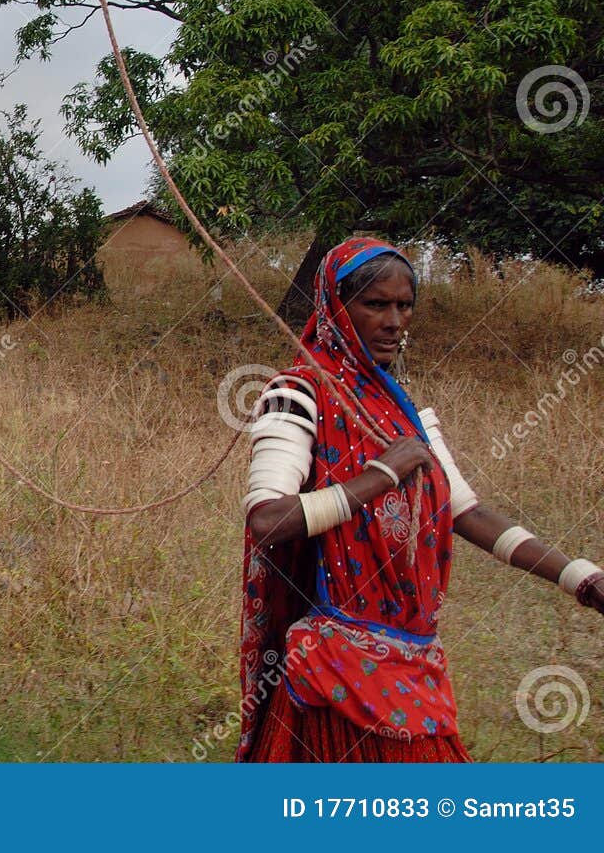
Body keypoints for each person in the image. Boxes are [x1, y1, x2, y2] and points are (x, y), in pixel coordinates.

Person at [238, 238, 603, 761]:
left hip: (416, 662)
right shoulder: (296, 394)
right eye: (375, 305)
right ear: (337, 309)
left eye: (403, 306)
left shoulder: (405, 412)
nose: (393, 322)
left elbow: (467, 512)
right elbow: (268, 520)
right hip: (334, 670)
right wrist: (381, 475)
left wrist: (581, 578)